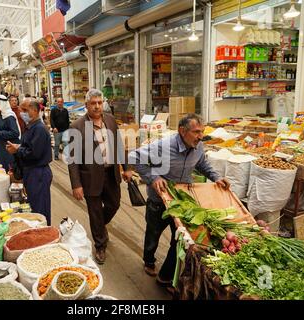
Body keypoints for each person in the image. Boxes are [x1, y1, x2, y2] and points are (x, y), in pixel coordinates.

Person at [128, 113, 231, 293]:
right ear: (182, 131)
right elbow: (134, 158)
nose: (200, 136)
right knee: (153, 233)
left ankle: (165, 276)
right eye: (196, 132)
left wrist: (216, 178)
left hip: (181, 202)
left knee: (180, 240)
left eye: (202, 131)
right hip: (159, 200)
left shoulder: (198, 147)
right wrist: (154, 177)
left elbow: (202, 165)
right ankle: (149, 261)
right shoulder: (163, 146)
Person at [67, 88, 132, 264]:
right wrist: (76, 184)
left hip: (111, 174)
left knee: (114, 204)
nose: (97, 106)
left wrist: (126, 168)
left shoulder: (110, 121)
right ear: (87, 105)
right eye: (93, 103)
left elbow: (119, 145)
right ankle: (100, 245)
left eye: (99, 102)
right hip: (89, 178)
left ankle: (100, 228)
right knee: (95, 213)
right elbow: (72, 160)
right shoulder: (77, 127)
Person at [6, 101, 53, 225]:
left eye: (25, 110)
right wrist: (18, 147)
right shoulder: (30, 127)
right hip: (31, 172)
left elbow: (34, 154)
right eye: (22, 110)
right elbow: (28, 146)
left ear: (35, 111)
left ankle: (43, 234)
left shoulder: (39, 129)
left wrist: (18, 149)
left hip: (38, 173)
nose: (22, 113)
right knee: (34, 205)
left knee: (40, 209)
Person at [0, 95, 21, 172]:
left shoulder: (9, 116)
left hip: (8, 150)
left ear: (0, 104)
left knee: (9, 169)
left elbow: (15, 133)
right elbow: (2, 128)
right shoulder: (2, 115)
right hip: (2, 147)